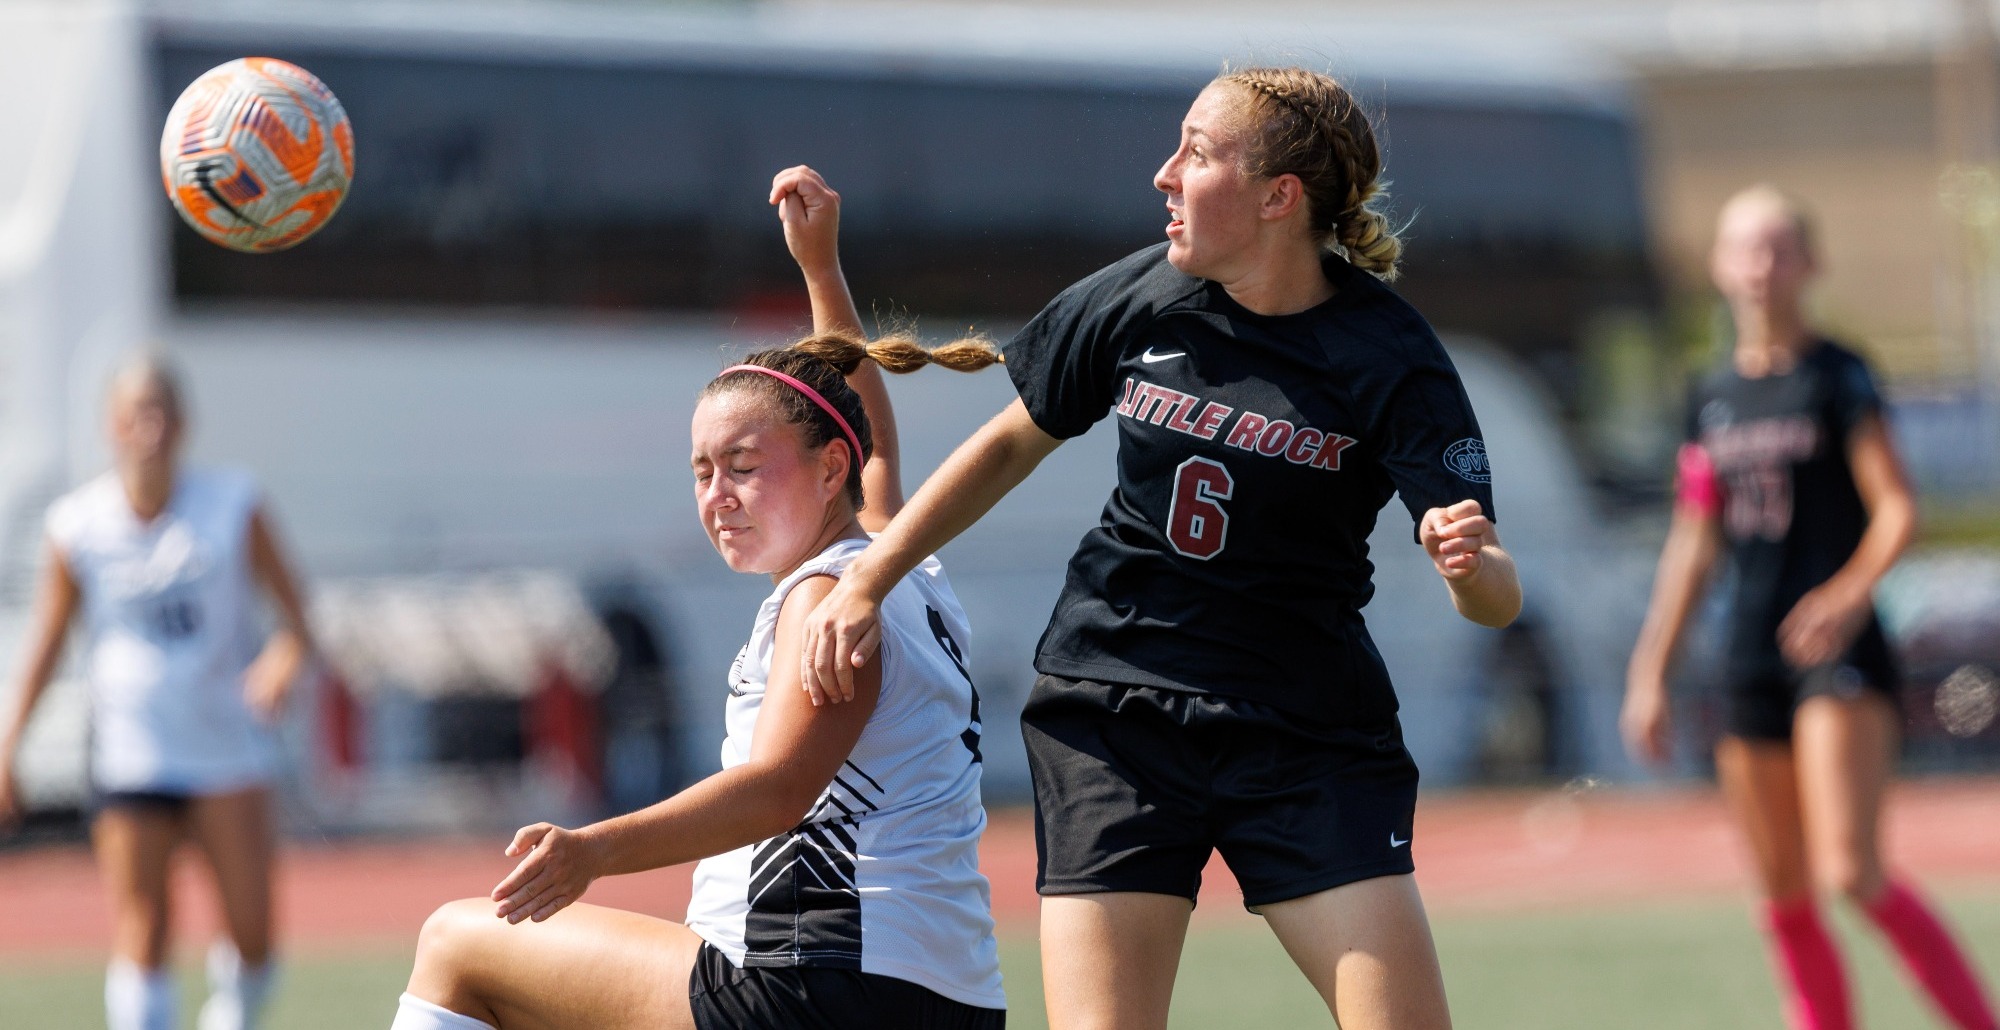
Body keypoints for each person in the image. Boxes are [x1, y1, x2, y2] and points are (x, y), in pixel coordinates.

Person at [798, 67, 1520, 1030]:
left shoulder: (1390, 355)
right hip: (1114, 712)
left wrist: (1471, 569)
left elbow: (1497, 597)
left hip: (1303, 728)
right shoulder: (1147, 292)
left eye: (1198, 152)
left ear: (1278, 197)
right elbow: (1012, 440)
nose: (1163, 175)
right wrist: (868, 581)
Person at [386, 166, 1007, 1030]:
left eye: (744, 467)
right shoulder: (897, 566)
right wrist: (821, 270)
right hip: (938, 999)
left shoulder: (827, 599)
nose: (718, 495)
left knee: (459, 941)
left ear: (829, 468)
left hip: (810, 986)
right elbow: (869, 441)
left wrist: (589, 851)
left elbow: (776, 791)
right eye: (702, 473)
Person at [1623, 185, 1996, 1030]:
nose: (1761, 266)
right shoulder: (1709, 393)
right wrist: (1651, 670)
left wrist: (1846, 592)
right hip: (1748, 655)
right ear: (1719, 267)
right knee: (1784, 897)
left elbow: (1898, 509)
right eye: (1745, 248)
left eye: (1780, 247)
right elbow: (1695, 539)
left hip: (1838, 653)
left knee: (1849, 871)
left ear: (1811, 263)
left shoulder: (1840, 375)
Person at [0, 354, 315, 1030]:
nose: (150, 428)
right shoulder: (78, 526)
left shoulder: (234, 504)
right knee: (142, 928)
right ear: (111, 427)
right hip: (133, 752)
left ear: (184, 424)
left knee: (253, 933)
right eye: (135, 414)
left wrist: (279, 667)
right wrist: (9, 745)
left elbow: (297, 621)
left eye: (162, 413)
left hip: (226, 748)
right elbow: (47, 647)